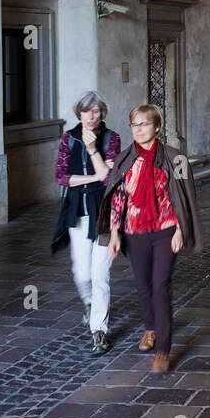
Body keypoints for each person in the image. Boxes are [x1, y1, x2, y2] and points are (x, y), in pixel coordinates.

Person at [96, 104, 204, 373]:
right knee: (143, 285)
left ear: (157, 127)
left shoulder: (175, 158)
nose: (138, 129)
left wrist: (180, 229)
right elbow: (117, 198)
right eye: (134, 124)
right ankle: (150, 328)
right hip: (134, 231)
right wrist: (114, 233)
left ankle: (163, 351)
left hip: (166, 229)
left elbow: (184, 197)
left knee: (160, 285)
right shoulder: (125, 159)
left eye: (144, 124)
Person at [50, 91, 120, 354]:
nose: (92, 116)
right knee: (82, 273)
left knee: (100, 275)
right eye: (86, 111)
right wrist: (95, 175)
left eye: (96, 110)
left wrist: (92, 151)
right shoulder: (69, 138)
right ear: (79, 113)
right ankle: (89, 303)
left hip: (104, 211)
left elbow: (110, 179)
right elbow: (60, 176)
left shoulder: (111, 138)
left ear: (102, 113)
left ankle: (98, 330)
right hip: (77, 211)